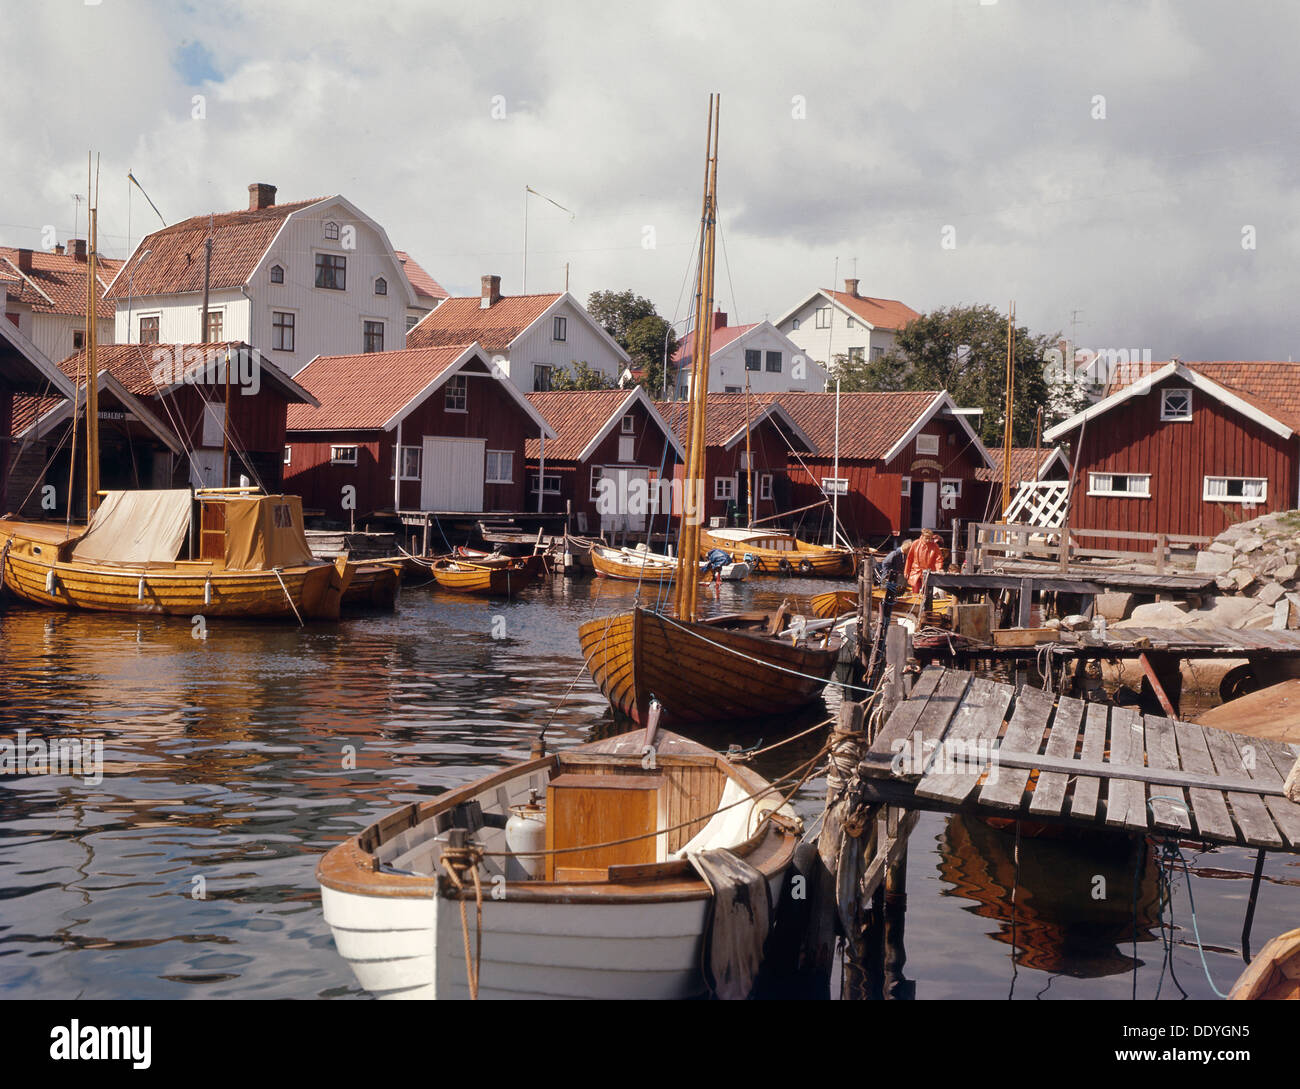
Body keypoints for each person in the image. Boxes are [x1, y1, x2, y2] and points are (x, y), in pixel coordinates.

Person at [905, 527, 945, 593]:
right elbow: (909, 558)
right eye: (926, 538)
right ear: (922, 536)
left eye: (930, 538)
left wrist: (939, 569)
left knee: (926, 592)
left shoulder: (934, 546)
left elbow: (939, 559)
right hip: (916, 571)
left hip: (928, 572)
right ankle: (915, 602)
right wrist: (906, 571)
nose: (928, 540)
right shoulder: (915, 543)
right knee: (915, 590)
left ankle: (925, 602)